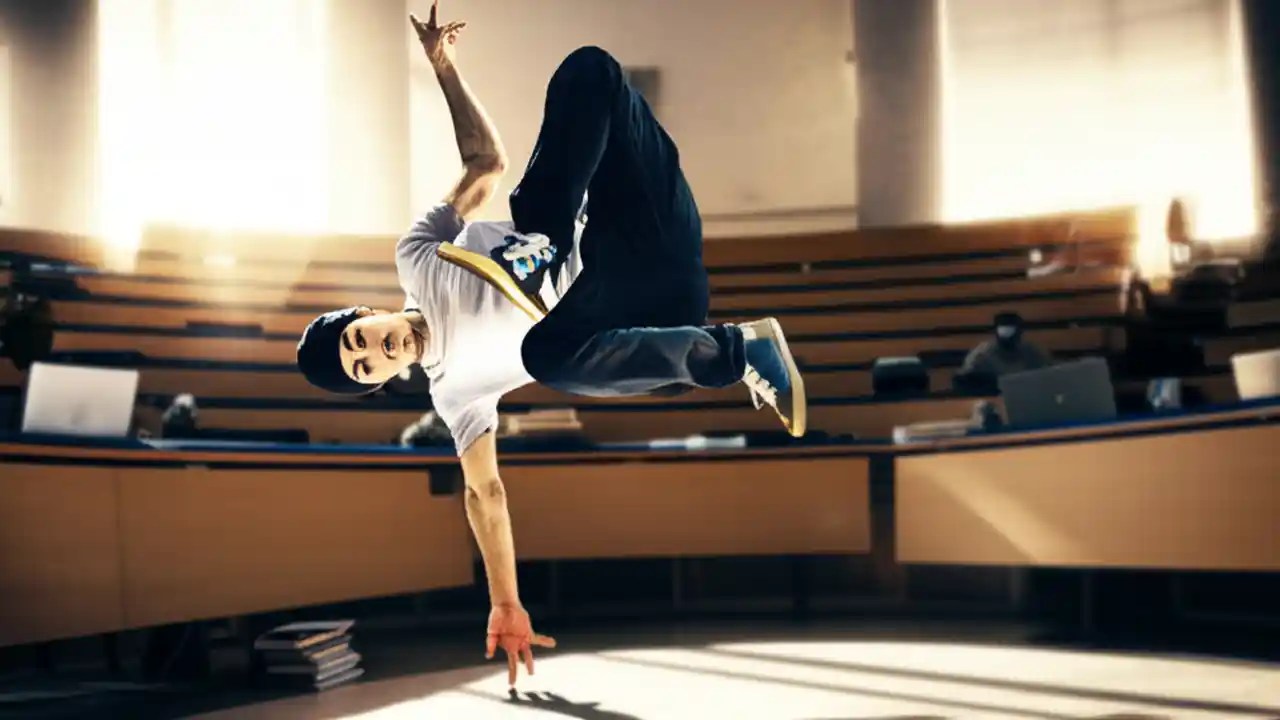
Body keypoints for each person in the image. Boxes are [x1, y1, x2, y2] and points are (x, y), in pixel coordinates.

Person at [294, 2, 807, 686]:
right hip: (654, 306)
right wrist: (504, 599)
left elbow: (486, 162)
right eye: (365, 367)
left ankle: (550, 236)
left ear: (365, 312)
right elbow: (486, 496)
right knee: (546, 355)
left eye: (361, 337)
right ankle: (738, 354)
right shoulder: (456, 394)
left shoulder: (418, 255)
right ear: (376, 384)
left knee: (588, 70)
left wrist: (443, 68)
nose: (375, 351)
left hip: (637, 223)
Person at [953, 312, 1053, 394]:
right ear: (995, 333)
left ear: (1020, 333)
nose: (1008, 340)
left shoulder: (1031, 352)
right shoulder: (982, 354)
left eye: (1012, 332)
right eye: (1004, 332)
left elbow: (1050, 374)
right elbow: (962, 381)